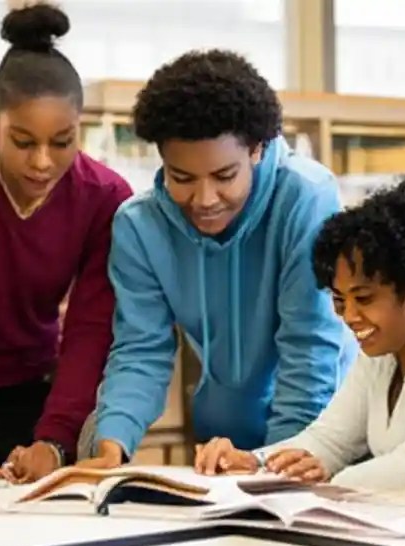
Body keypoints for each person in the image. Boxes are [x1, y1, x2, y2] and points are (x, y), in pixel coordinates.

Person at [79, 49, 354, 468]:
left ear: (258, 149)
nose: (204, 200)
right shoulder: (139, 226)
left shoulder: (306, 198)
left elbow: (309, 348)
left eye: (225, 176)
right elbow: (141, 350)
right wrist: (112, 445)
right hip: (225, 439)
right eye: (181, 178)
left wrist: (276, 467)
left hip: (321, 438)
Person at [0, 3, 132, 490]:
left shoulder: (106, 198)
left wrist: (54, 440)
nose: (42, 162)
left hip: (27, 393)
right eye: (22, 141)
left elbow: (90, 327)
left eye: (62, 142)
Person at [192, 175, 405, 486]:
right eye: (339, 300)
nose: (349, 316)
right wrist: (253, 462)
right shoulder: (384, 346)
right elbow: (328, 442)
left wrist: (325, 483)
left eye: (364, 298)